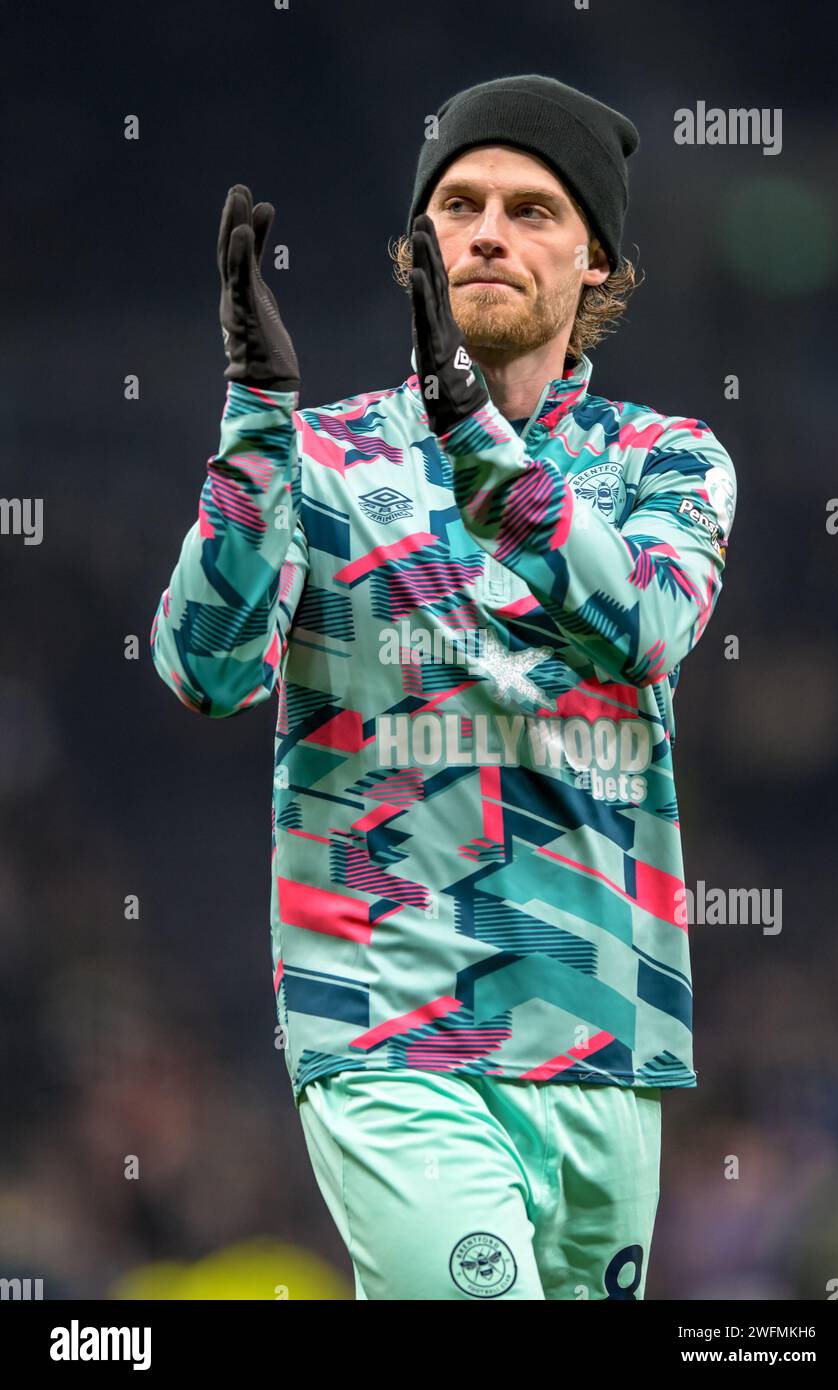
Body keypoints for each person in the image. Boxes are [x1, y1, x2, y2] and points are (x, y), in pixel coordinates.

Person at [150, 74, 737, 1300]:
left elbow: (644, 625)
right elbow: (202, 670)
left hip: (605, 1039)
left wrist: (472, 430)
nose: (483, 230)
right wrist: (256, 425)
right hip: (387, 1027)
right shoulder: (320, 460)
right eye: (456, 204)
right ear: (416, 248)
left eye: (531, 209)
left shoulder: (664, 462)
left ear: (597, 265)